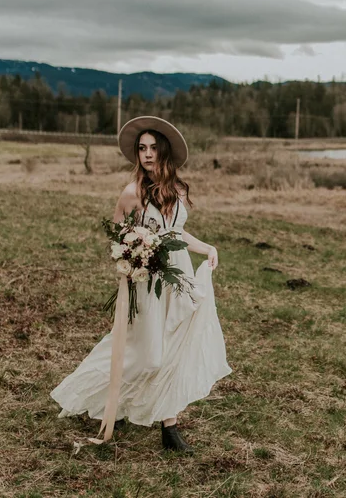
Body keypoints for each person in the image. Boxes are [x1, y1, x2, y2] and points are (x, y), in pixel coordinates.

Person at [51, 116, 231, 453]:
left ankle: (170, 429)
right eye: (141, 148)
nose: (146, 154)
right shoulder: (132, 192)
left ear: (163, 151)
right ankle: (109, 398)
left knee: (175, 345)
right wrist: (133, 254)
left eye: (152, 148)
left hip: (178, 277)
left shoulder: (177, 190)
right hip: (147, 282)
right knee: (147, 355)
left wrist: (207, 247)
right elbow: (118, 236)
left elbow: (175, 234)